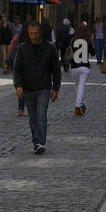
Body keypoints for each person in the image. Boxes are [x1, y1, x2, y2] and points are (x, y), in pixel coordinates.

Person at [13, 21, 61, 154]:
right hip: (28, 88)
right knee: (33, 118)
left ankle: (40, 142)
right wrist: (18, 85)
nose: (33, 36)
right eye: (30, 34)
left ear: (41, 33)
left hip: (43, 87)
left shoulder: (50, 48)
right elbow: (17, 69)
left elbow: (56, 70)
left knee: (41, 115)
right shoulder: (23, 48)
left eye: (35, 33)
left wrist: (56, 88)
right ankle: (36, 142)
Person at [71, 17, 92, 116]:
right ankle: (78, 105)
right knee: (81, 86)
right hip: (84, 66)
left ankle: (82, 104)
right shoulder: (88, 41)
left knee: (78, 86)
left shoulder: (73, 41)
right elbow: (93, 53)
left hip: (74, 66)